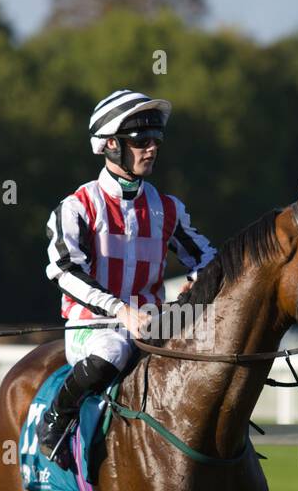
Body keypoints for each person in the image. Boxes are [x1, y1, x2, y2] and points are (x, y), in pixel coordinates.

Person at [38, 88, 216, 465]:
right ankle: (58, 416)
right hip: (93, 327)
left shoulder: (168, 208)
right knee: (113, 350)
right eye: (140, 141)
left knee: (213, 343)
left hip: (153, 323)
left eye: (155, 141)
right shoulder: (76, 207)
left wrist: (199, 278)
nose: (151, 149)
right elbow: (65, 271)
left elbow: (208, 256)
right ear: (109, 145)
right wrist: (121, 311)